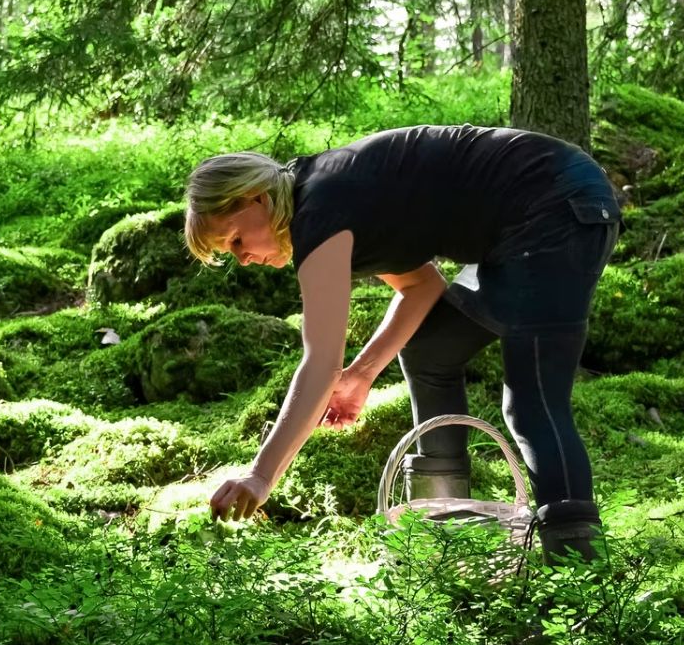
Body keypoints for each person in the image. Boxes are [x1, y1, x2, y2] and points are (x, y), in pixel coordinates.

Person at [183, 124, 621, 560]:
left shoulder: (319, 212)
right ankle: (447, 530)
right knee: (432, 349)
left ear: (254, 197)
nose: (241, 258)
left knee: (531, 401)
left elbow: (319, 364)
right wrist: (361, 376)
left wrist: (260, 477)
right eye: (230, 253)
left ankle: (579, 572)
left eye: (235, 239)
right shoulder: (331, 198)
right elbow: (422, 287)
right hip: (533, 221)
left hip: (555, 207)